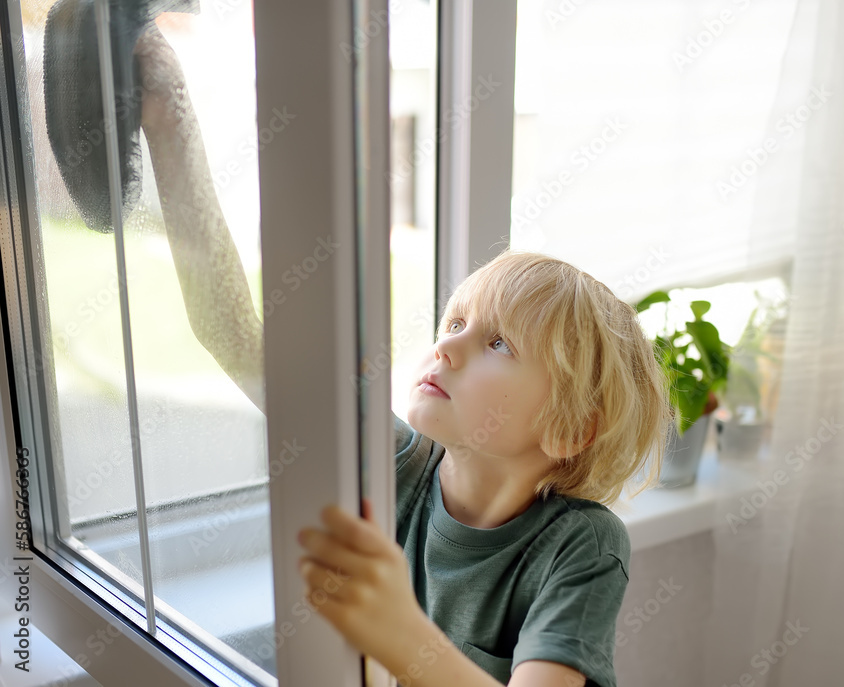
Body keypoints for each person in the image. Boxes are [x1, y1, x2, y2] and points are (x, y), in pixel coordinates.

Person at [134, 23, 672, 687]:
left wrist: (400, 633)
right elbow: (234, 334)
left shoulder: (580, 547)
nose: (446, 345)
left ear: (568, 427)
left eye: (497, 342)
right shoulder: (396, 465)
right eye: (455, 320)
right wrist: (168, 122)